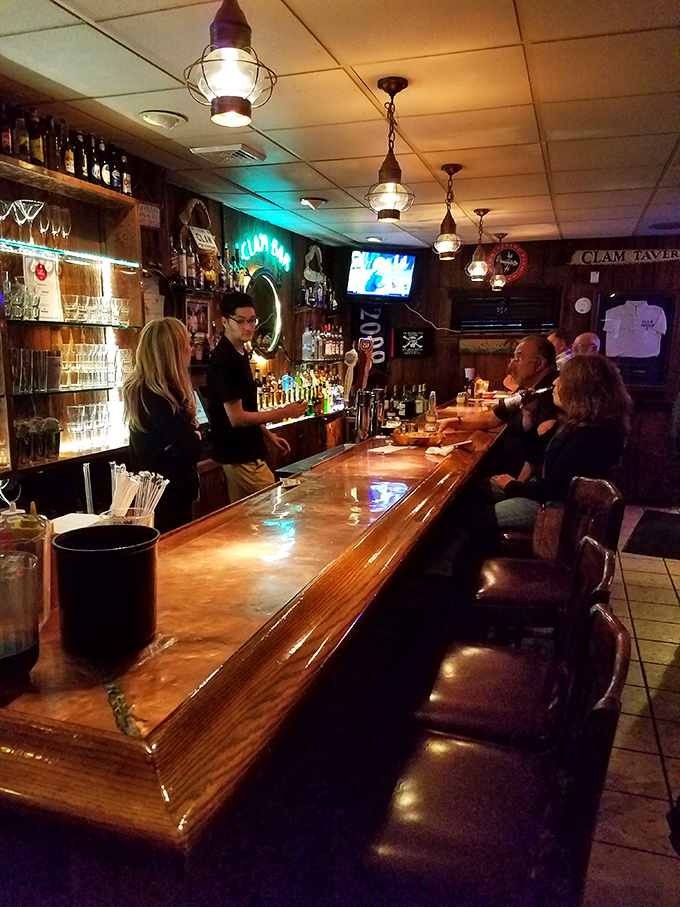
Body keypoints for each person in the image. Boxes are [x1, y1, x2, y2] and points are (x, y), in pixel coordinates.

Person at [484, 354, 632, 537]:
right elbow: (536, 457)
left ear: (580, 388)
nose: (554, 382)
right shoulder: (578, 423)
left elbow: (556, 488)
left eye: (562, 378)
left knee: (476, 515)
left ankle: (466, 558)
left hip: (556, 511)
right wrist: (529, 417)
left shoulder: (591, 437)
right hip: (545, 498)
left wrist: (513, 486)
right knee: (472, 493)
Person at [207, 292, 307, 503]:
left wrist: (268, 435)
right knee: (276, 509)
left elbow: (246, 409)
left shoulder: (239, 353)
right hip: (240, 457)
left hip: (244, 454)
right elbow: (237, 418)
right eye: (241, 321)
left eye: (252, 321)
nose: (248, 327)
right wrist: (283, 412)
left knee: (249, 520)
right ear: (225, 321)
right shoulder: (226, 360)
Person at [439, 335, 560, 480]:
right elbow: (492, 418)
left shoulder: (551, 394)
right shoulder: (528, 389)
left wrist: (516, 487)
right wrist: (453, 422)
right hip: (506, 476)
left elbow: (542, 453)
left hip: (519, 484)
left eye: (518, 359)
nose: (510, 367)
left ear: (540, 364)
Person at [124, 317, 203, 533]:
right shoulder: (160, 396)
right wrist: (193, 436)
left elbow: (180, 445)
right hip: (168, 496)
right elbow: (191, 448)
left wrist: (186, 440)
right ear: (173, 352)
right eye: (187, 344)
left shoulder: (143, 390)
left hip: (154, 493)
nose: (190, 349)